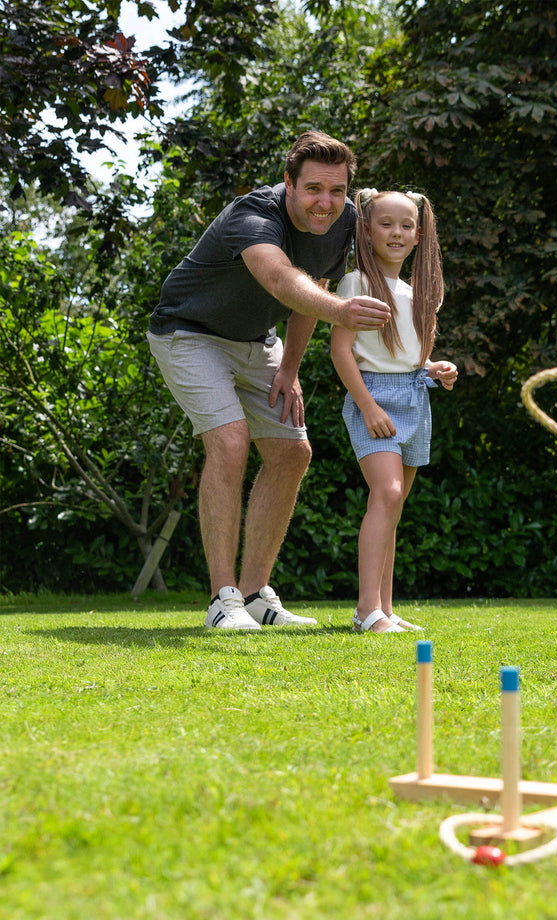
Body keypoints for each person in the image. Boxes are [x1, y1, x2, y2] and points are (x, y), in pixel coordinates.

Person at [147, 131, 391, 630]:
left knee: (291, 452)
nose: (326, 203)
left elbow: (313, 287)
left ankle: (257, 595)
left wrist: (290, 368)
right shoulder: (253, 216)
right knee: (231, 441)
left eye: (337, 191)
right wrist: (343, 312)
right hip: (188, 333)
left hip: (256, 341)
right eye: (313, 190)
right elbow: (282, 280)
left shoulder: (342, 222)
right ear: (288, 184)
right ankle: (224, 600)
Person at [330, 189, 457, 633]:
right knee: (384, 494)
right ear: (366, 230)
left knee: (394, 505)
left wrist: (433, 367)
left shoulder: (415, 292)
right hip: (374, 400)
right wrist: (367, 407)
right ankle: (366, 610)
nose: (396, 233)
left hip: (414, 396)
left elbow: (407, 357)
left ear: (419, 235)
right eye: (386, 224)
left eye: (406, 225)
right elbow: (342, 352)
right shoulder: (356, 284)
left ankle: (384, 607)